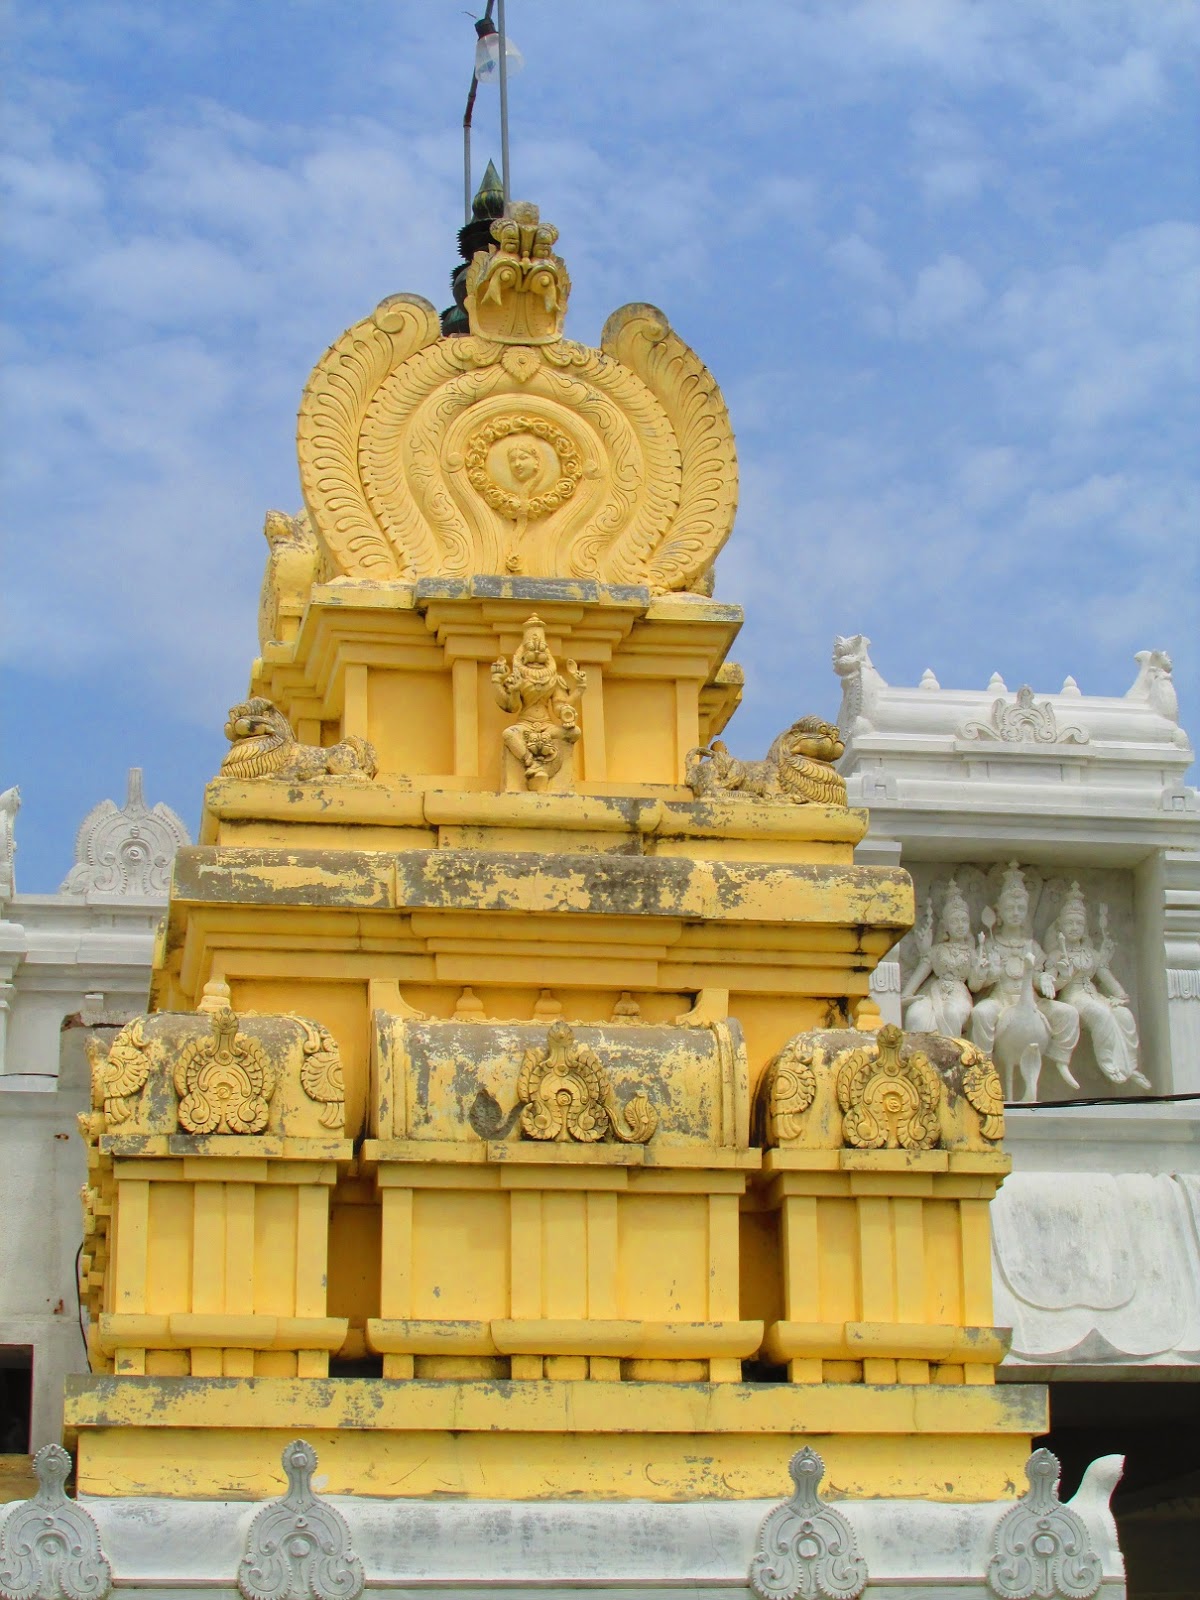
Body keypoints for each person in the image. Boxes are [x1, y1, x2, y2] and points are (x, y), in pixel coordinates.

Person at [968, 862, 1079, 1081]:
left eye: (1020, 908)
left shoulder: (1031, 946)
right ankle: (982, 1067)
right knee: (980, 1013)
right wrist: (988, 973)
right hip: (1001, 1000)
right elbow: (975, 985)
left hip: (1033, 1000)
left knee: (1069, 1013)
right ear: (999, 911)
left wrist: (1053, 977)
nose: (1016, 913)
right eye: (1010, 908)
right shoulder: (991, 944)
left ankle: (1061, 1059)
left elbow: (1040, 977)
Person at [1044, 883, 1149, 1089]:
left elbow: (1107, 979)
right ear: (1061, 927)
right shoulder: (1057, 955)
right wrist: (1058, 976)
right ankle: (1108, 1062)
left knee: (1124, 1015)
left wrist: (1119, 996)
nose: (1074, 927)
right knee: (1101, 1013)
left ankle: (1130, 1066)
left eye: (1079, 923)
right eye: (1070, 923)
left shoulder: (1092, 954)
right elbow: (1050, 986)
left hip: (1094, 995)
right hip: (1073, 997)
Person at [902, 878, 978, 1037]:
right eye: (954, 921)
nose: (960, 925)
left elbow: (975, 985)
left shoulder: (972, 953)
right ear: (946, 926)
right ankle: (917, 1058)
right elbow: (919, 975)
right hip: (934, 994)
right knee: (915, 1014)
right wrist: (907, 996)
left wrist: (983, 972)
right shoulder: (936, 950)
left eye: (964, 920)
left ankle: (952, 1057)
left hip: (959, 996)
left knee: (951, 1012)